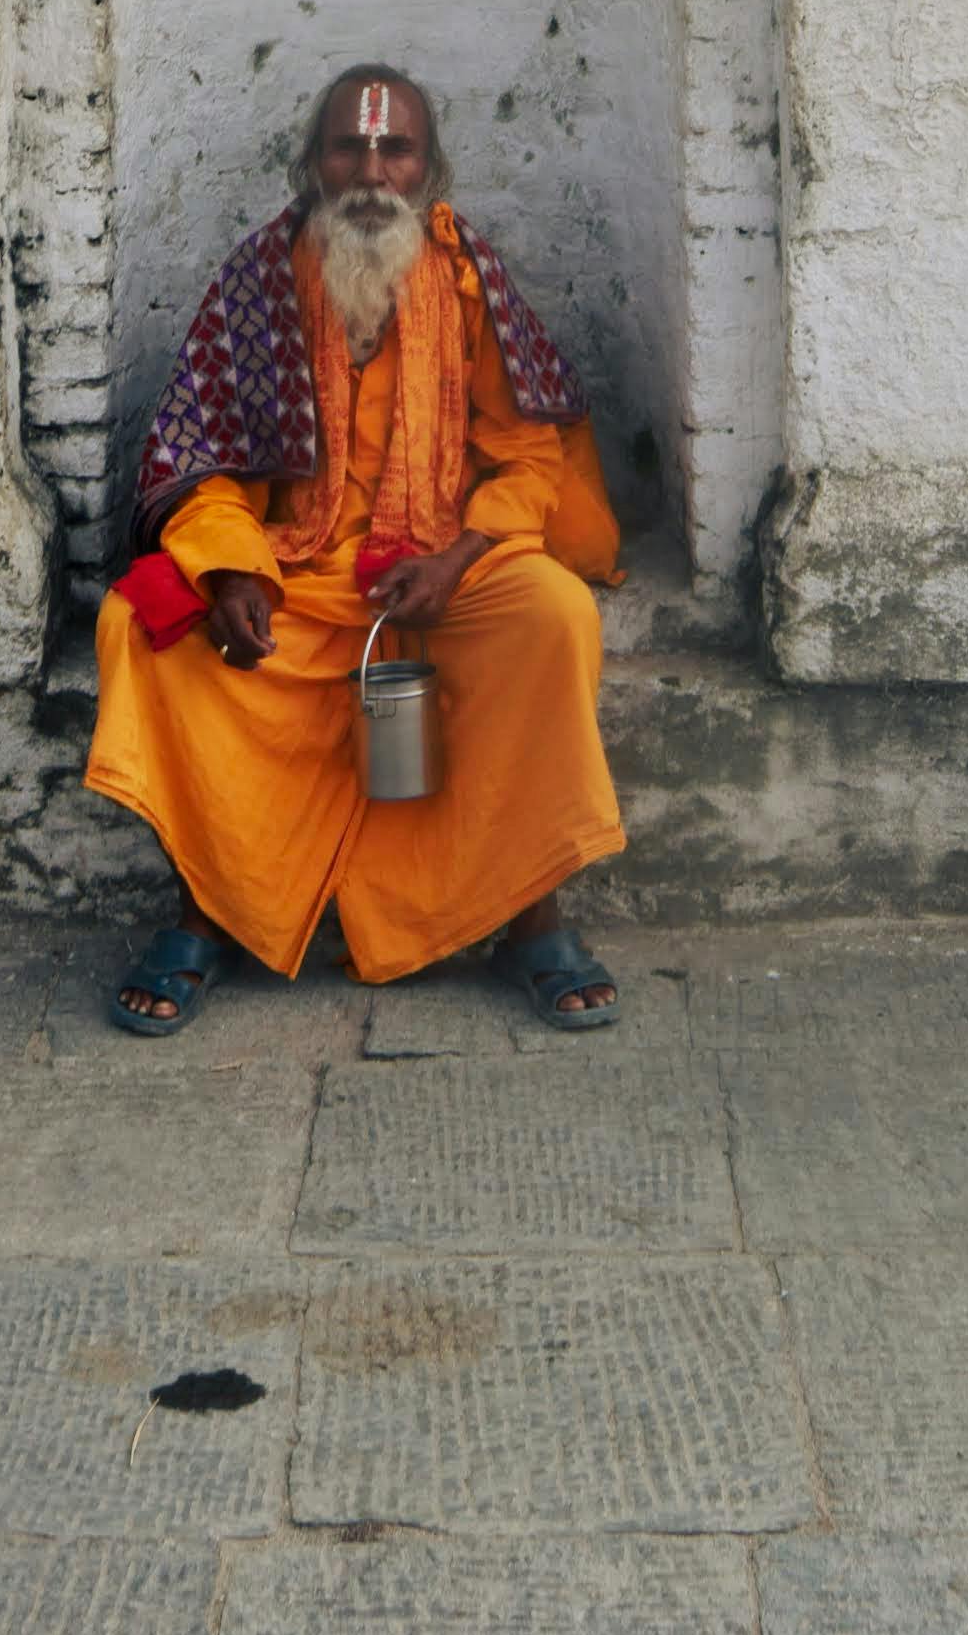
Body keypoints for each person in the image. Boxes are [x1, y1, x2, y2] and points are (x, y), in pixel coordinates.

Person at [85, 61, 627, 1035]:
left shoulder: (468, 279)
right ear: (314, 163)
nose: (372, 168)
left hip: (445, 568)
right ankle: (207, 910)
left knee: (555, 616)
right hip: (294, 571)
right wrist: (230, 568)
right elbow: (201, 458)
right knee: (142, 623)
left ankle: (530, 914)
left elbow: (529, 456)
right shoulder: (259, 280)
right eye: (350, 145)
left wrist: (458, 559)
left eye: (395, 147)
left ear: (428, 167)